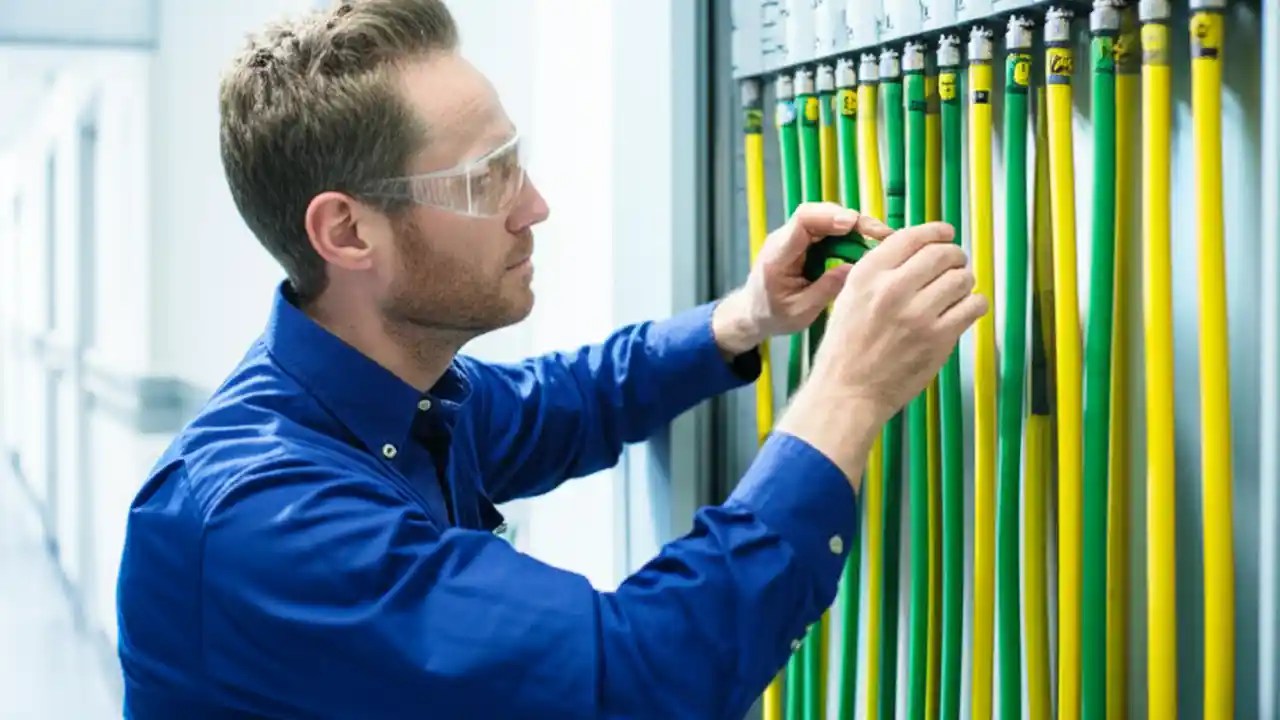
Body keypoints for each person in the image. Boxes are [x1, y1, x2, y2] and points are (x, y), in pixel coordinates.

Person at [115, 1, 985, 717]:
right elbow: (641, 679)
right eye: (486, 177)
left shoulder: (395, 400)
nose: (533, 205)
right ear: (347, 232)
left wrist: (743, 317)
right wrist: (848, 392)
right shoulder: (268, 522)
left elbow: (568, 400)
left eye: (516, 160)